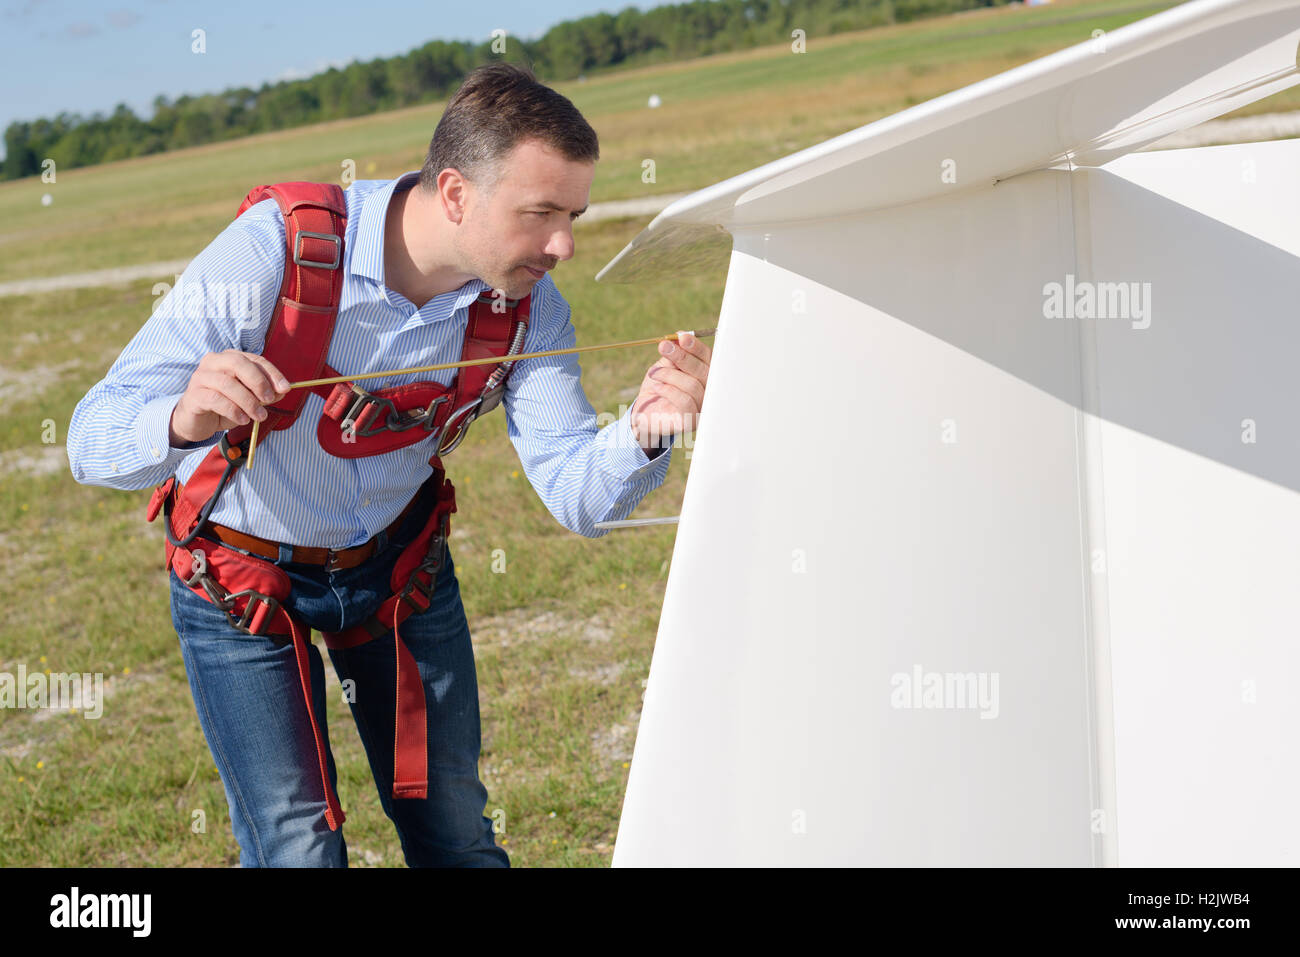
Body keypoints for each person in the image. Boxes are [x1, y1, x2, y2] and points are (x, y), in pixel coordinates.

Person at [66, 62, 712, 867]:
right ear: (454, 193)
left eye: (574, 214)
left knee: (454, 835)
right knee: (297, 850)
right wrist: (179, 415)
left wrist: (650, 430)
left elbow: (577, 494)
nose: (565, 246)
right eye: (540, 213)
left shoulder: (530, 308)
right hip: (239, 582)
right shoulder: (277, 251)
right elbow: (89, 437)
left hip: (401, 571)